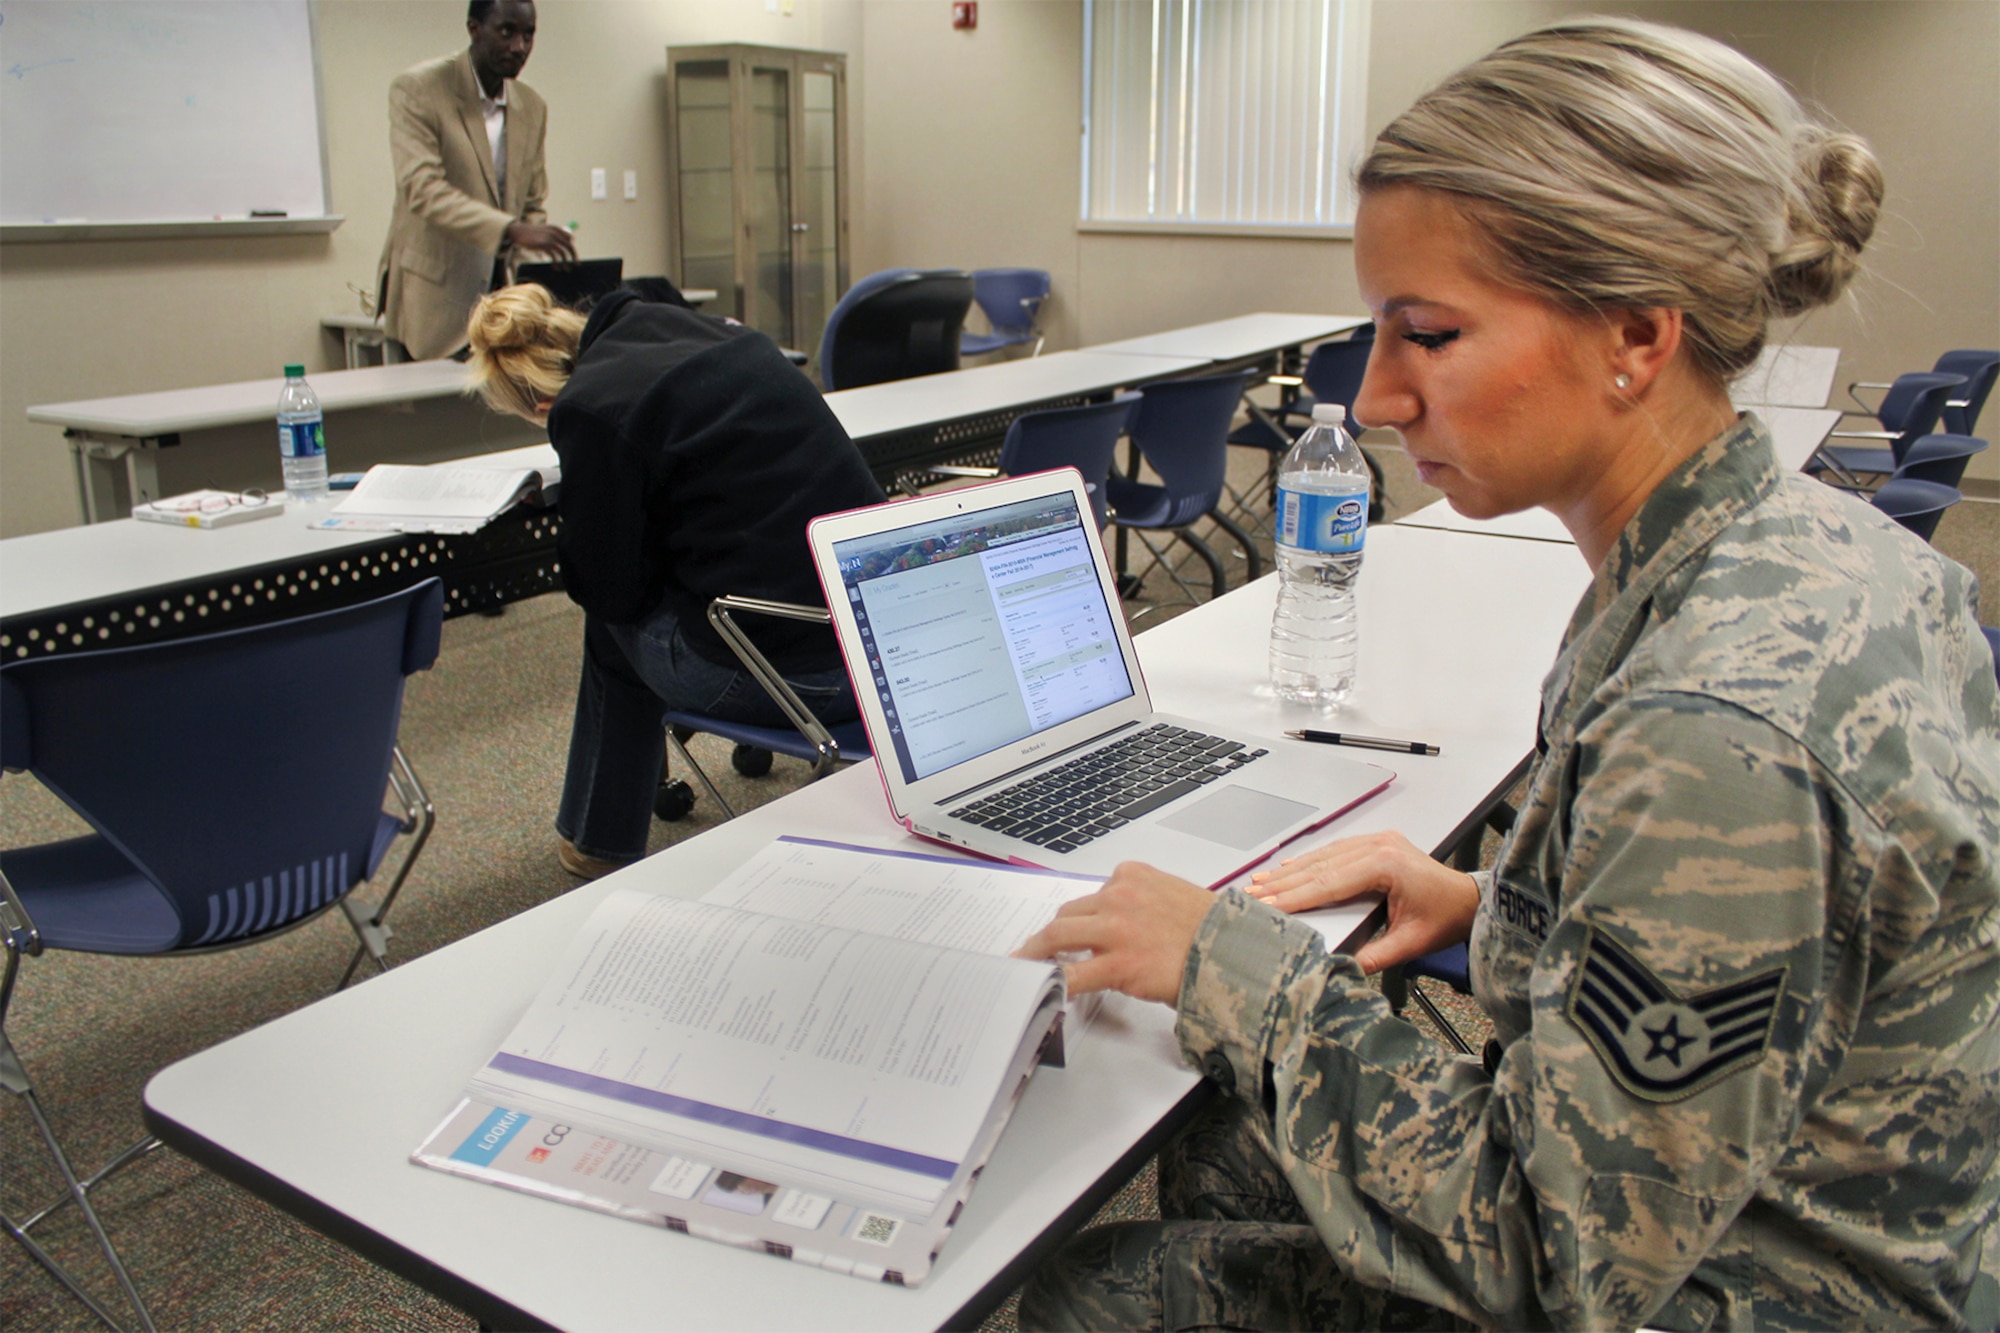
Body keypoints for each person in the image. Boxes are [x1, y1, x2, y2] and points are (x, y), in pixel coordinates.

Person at [1016, 17, 2000, 1331]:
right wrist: (1495, 906)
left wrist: (1233, 964)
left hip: (1775, 1289)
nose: (1372, 398)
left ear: (1636, 336)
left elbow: (1559, 1265)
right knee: (1231, 1135)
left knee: (1107, 1290)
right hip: (1780, 1181)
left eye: (1427, 334)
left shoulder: (1719, 722)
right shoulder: (1781, 545)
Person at [465, 284, 885, 878]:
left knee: (609, 624)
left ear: (538, 404)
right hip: (887, 655)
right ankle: (598, 833)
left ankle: (599, 843)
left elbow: (609, 588)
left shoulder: (589, 404)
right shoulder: (710, 334)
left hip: (806, 683)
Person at [377, 0, 577, 361]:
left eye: (528, 35)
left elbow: (532, 204)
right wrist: (510, 230)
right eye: (507, 32)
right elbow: (422, 190)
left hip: (502, 304)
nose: (519, 47)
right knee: (431, 417)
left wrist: (540, 261)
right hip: (435, 302)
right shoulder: (419, 90)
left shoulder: (532, 107)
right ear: (474, 28)